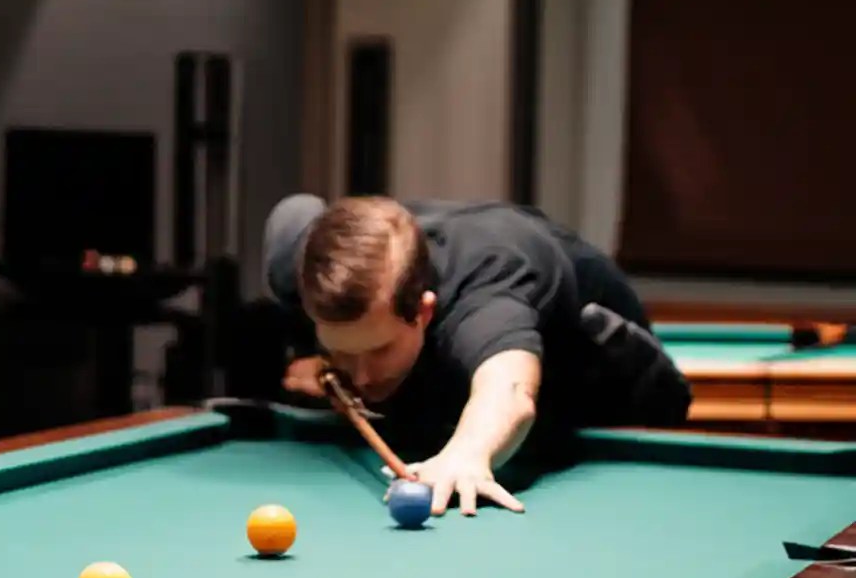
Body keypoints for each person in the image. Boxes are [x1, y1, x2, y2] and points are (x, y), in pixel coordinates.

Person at [262, 193, 691, 517]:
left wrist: (466, 455)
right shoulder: (306, 268)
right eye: (343, 350)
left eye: (378, 350)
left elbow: (509, 389)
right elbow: (296, 209)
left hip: (609, 381)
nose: (364, 377)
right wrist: (323, 362)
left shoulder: (488, 291)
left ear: (425, 310)